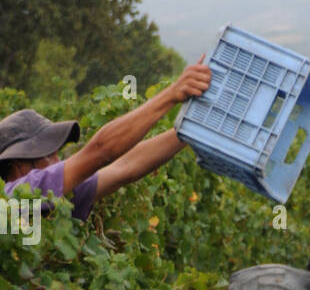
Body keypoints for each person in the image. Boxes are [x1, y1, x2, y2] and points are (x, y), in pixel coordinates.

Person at [0, 59, 212, 221]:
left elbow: (125, 167)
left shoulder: (53, 198)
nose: (57, 161)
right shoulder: (17, 193)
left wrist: (188, 130)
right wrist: (171, 95)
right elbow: (100, 151)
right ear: (19, 167)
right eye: (48, 155)